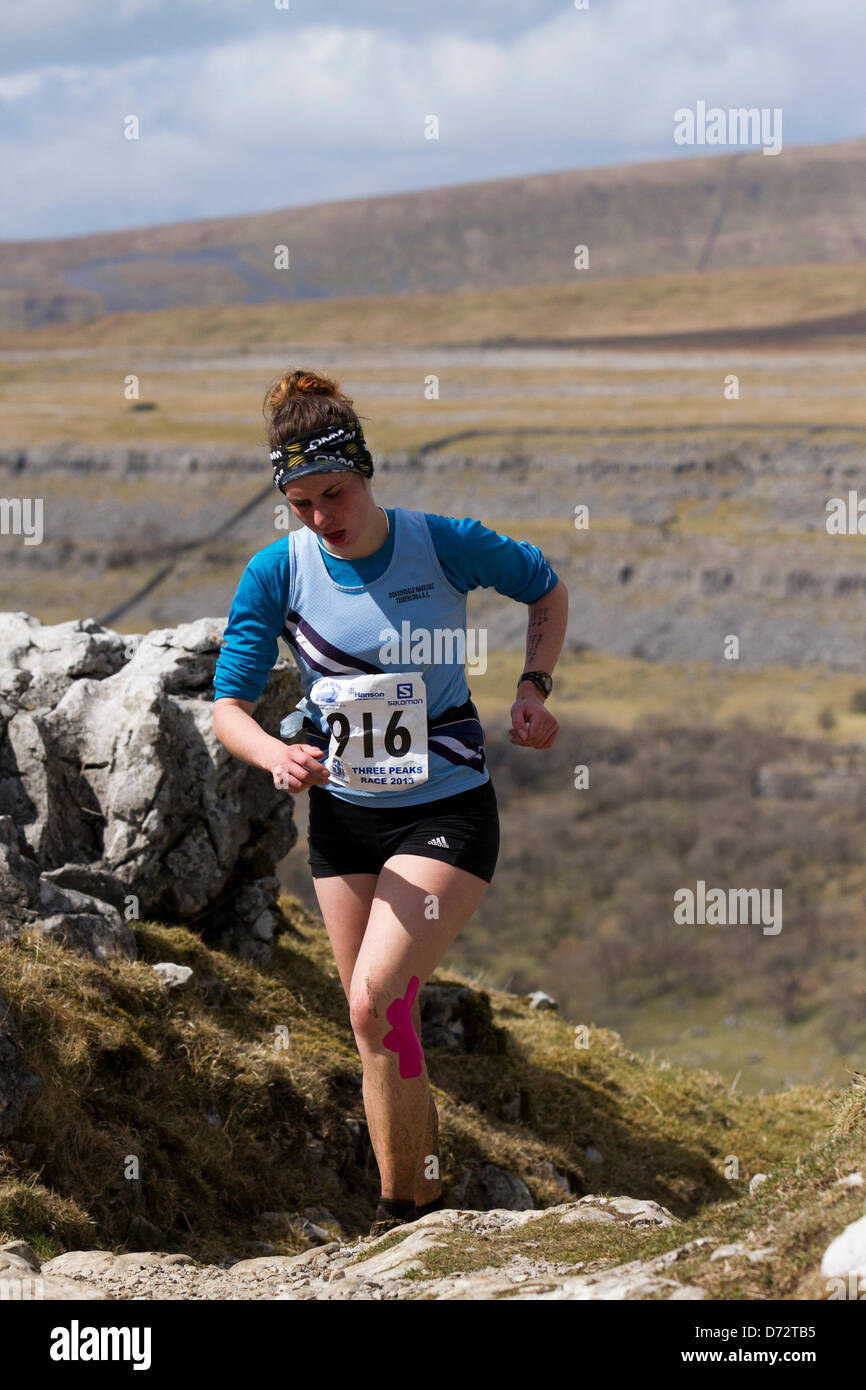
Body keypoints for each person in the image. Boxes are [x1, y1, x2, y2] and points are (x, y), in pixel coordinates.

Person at [212, 368, 568, 1239]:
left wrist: (533, 687)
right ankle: (408, 1221)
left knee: (377, 1002)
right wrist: (276, 755)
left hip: (445, 810)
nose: (322, 517)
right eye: (300, 503)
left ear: (365, 472)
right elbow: (228, 704)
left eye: (334, 493)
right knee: (375, 1022)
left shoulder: (441, 543)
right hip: (343, 818)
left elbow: (545, 587)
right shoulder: (278, 572)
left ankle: (410, 1214)